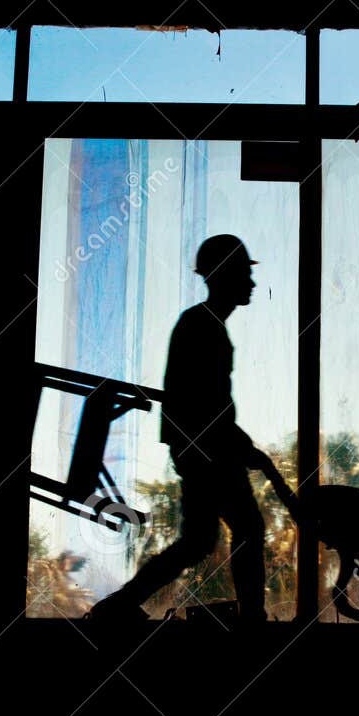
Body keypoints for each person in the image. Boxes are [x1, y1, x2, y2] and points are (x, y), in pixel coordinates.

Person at [90, 234, 272, 622]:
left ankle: (118, 605)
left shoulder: (203, 325)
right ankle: (253, 621)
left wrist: (235, 442)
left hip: (201, 448)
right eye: (244, 273)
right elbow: (201, 404)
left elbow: (203, 404)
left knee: (198, 541)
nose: (252, 283)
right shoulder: (203, 327)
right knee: (246, 528)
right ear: (224, 276)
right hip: (208, 451)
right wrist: (235, 445)